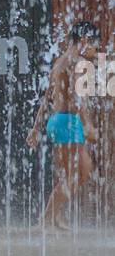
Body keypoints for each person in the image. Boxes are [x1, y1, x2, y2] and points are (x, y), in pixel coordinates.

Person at [26, 20, 100, 231]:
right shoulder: (77, 62)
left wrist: (36, 127)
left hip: (57, 122)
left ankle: (55, 216)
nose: (96, 51)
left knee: (69, 175)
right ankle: (45, 219)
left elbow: (46, 98)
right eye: (95, 45)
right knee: (80, 173)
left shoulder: (59, 62)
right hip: (68, 122)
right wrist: (87, 125)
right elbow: (77, 99)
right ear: (84, 41)